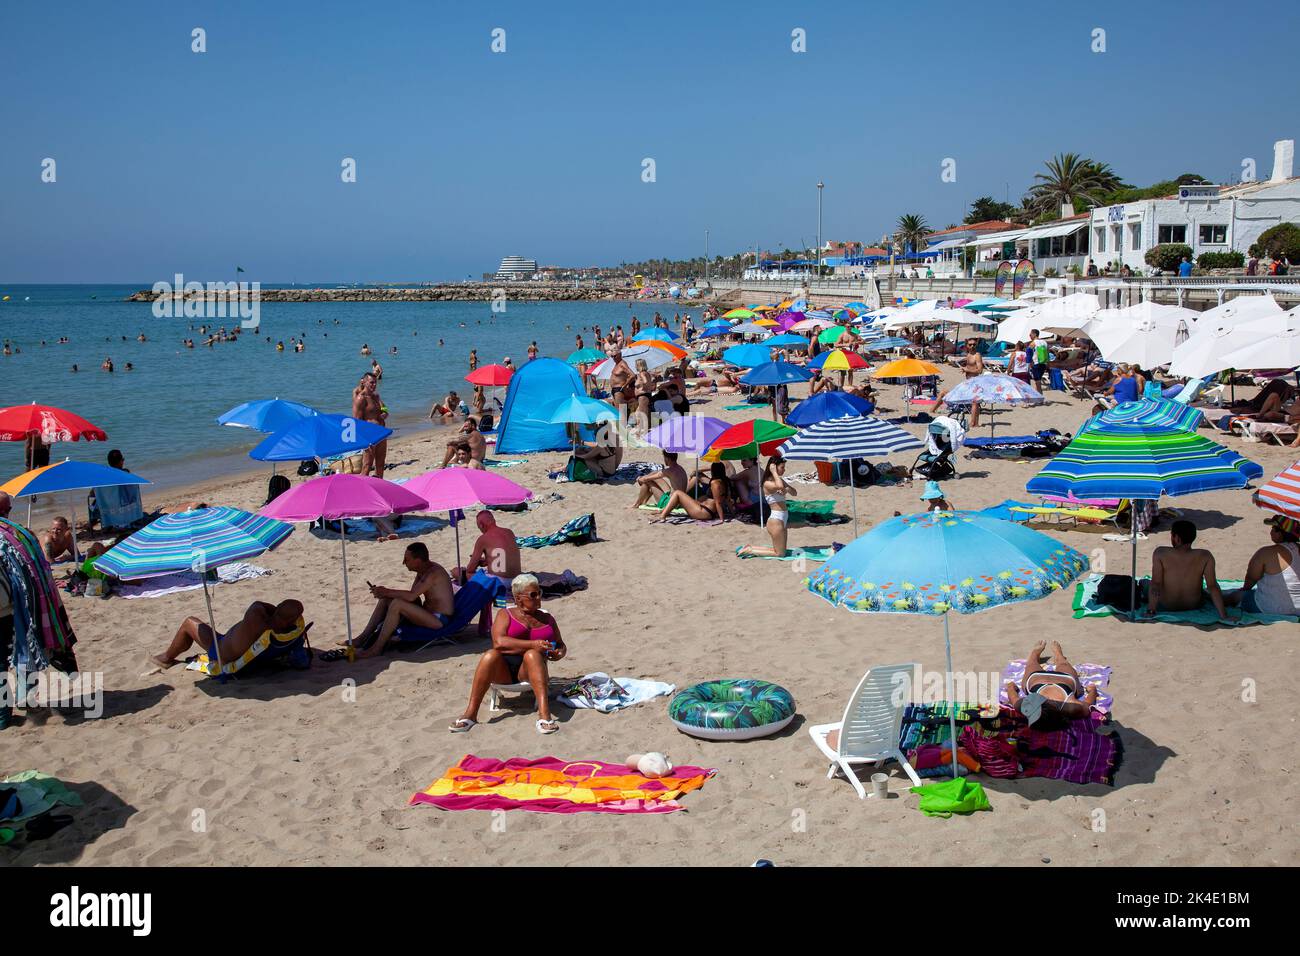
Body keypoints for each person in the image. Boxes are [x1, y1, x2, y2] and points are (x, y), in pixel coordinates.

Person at [449, 574, 565, 734]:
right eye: (533, 594)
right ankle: (471, 713)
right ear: (518, 599)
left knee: (532, 654)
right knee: (491, 654)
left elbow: (560, 644)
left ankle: (544, 715)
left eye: (540, 593)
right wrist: (534, 644)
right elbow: (499, 642)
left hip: (530, 670)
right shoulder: (506, 615)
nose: (538, 597)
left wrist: (559, 652)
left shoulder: (547, 618)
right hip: (503, 670)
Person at [146, 599, 304, 674]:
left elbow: (260, 604)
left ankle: (166, 658)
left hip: (222, 653)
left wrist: (275, 609)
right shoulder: (288, 632)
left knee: (189, 623)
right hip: (253, 658)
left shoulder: (256, 615)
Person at [355, 542, 455, 659]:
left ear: (417, 561)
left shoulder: (433, 573)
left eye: (406, 559)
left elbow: (411, 596)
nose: (403, 562)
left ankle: (376, 648)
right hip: (428, 613)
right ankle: (362, 638)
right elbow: (413, 596)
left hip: (439, 619)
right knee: (387, 599)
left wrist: (386, 591)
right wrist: (386, 594)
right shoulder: (422, 570)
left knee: (397, 604)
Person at [1003, 640, 1101, 729]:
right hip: (1038, 679)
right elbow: (1014, 699)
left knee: (1062, 665)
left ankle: (1051, 655)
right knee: (1032, 665)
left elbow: (1087, 704)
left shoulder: (1070, 707)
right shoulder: (1028, 705)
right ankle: (1052, 654)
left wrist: (1092, 690)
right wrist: (1011, 687)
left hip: (1064, 680)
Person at [1147, 519, 1227, 620]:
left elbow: (1155, 584)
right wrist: (1224, 616)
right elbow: (1213, 587)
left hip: (1168, 605)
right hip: (1194, 605)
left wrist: (1151, 611)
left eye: (1172, 535)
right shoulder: (1205, 556)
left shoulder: (1161, 553)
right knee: (1206, 592)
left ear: (1177, 538)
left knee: (1145, 583)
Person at [1225, 515, 1300, 615]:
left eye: (1274, 528)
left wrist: (1244, 590)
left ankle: (1210, 599)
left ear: (1282, 533)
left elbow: (1251, 579)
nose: (1271, 531)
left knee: (1236, 596)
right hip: (1298, 610)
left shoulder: (1265, 553)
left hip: (1270, 608)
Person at [737, 456, 798, 557]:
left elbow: (794, 493)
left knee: (781, 550)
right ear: (773, 467)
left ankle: (750, 547)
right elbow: (779, 486)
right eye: (782, 467)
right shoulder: (767, 483)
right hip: (776, 520)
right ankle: (750, 551)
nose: (784, 470)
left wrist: (787, 489)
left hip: (783, 518)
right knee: (780, 554)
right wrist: (774, 472)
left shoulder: (779, 481)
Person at [452, 511, 520, 586]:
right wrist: (487, 561)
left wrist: (476, 563)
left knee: (457, 572)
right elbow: (506, 557)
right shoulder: (509, 532)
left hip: (499, 583)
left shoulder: (483, 539)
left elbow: (470, 569)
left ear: (481, 525)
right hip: (517, 579)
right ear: (494, 520)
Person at [653, 462, 733, 522]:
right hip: (706, 510)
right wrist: (733, 513)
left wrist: (721, 519)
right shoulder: (725, 481)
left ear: (713, 471)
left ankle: (662, 516)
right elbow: (728, 500)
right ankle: (663, 511)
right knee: (682, 499)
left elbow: (717, 502)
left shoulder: (715, 483)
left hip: (704, 512)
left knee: (677, 493)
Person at [352, 373, 387, 476]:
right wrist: (365, 440)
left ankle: (379, 487)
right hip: (370, 436)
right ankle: (362, 490)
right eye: (371, 382)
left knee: (380, 463)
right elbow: (357, 422)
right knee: (367, 465)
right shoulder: (361, 399)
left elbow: (384, 410)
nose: (374, 385)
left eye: (375, 383)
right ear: (365, 382)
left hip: (381, 433)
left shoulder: (376, 396)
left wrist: (385, 414)